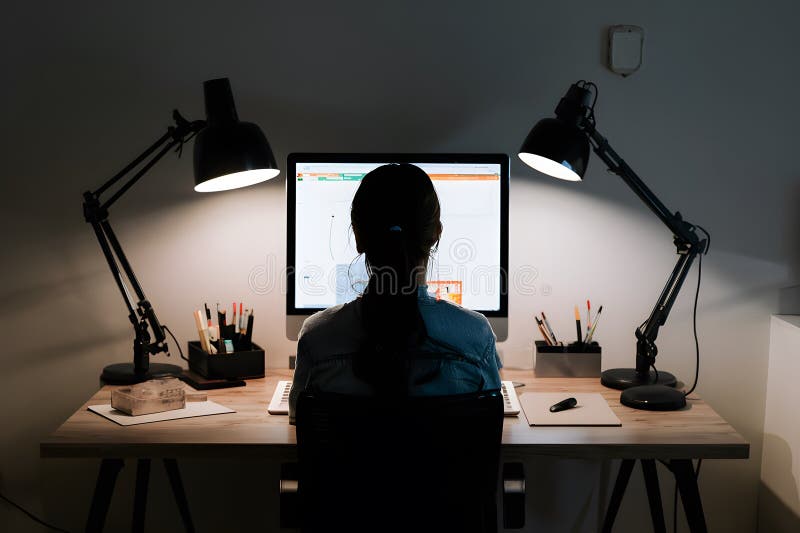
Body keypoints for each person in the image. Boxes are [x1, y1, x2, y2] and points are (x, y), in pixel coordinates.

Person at [289, 163, 501, 423]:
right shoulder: (476, 337)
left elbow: (300, 422)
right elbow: (490, 424)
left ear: (357, 236)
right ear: (436, 234)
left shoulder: (316, 337)